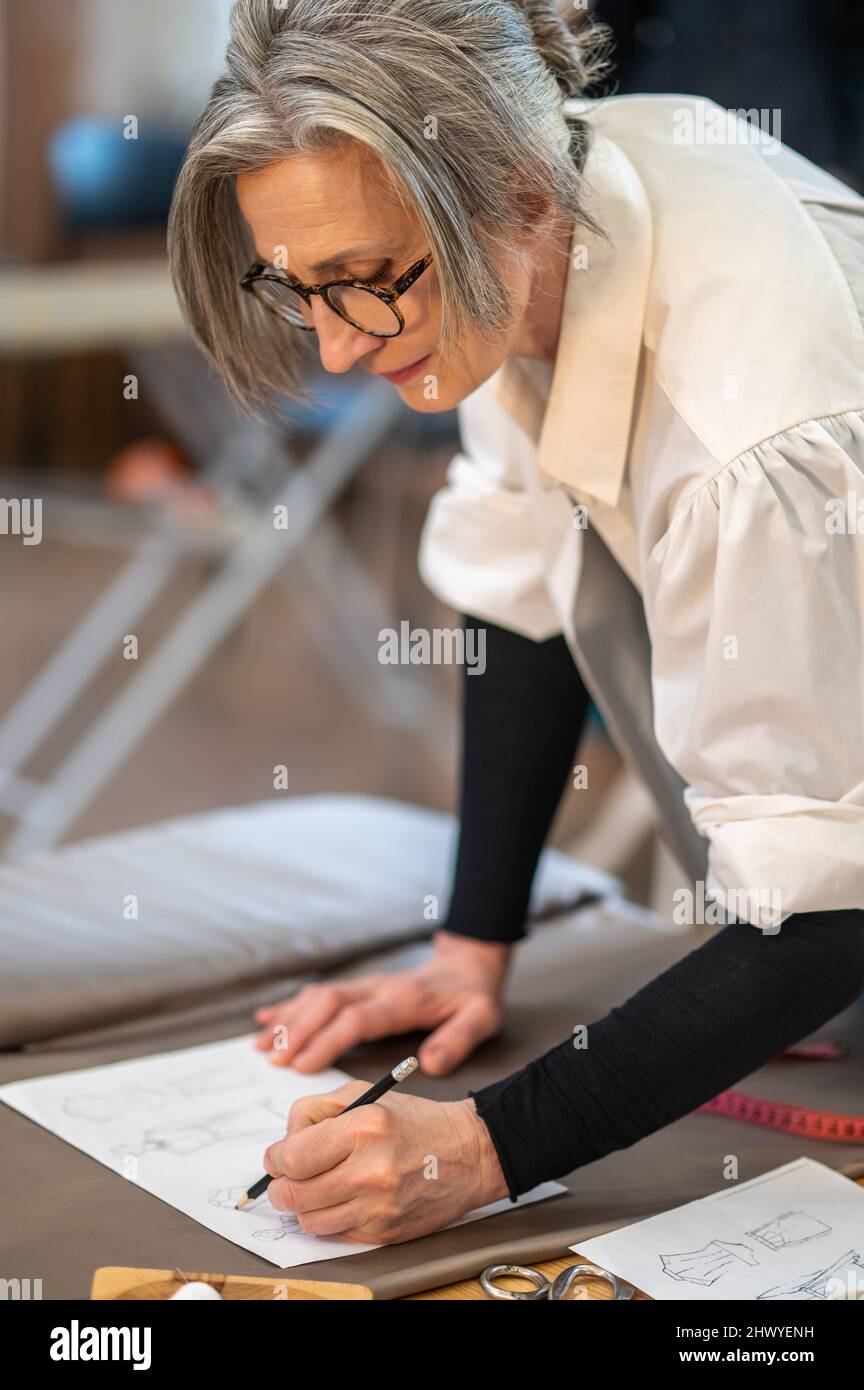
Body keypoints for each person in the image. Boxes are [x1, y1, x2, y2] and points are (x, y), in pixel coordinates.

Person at [167, 0, 864, 1245]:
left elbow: (829, 900)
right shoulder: (542, 212)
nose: (333, 348)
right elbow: (519, 591)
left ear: (528, 196)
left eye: (367, 284)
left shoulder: (752, 434)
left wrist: (486, 1149)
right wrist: (469, 947)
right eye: (295, 287)